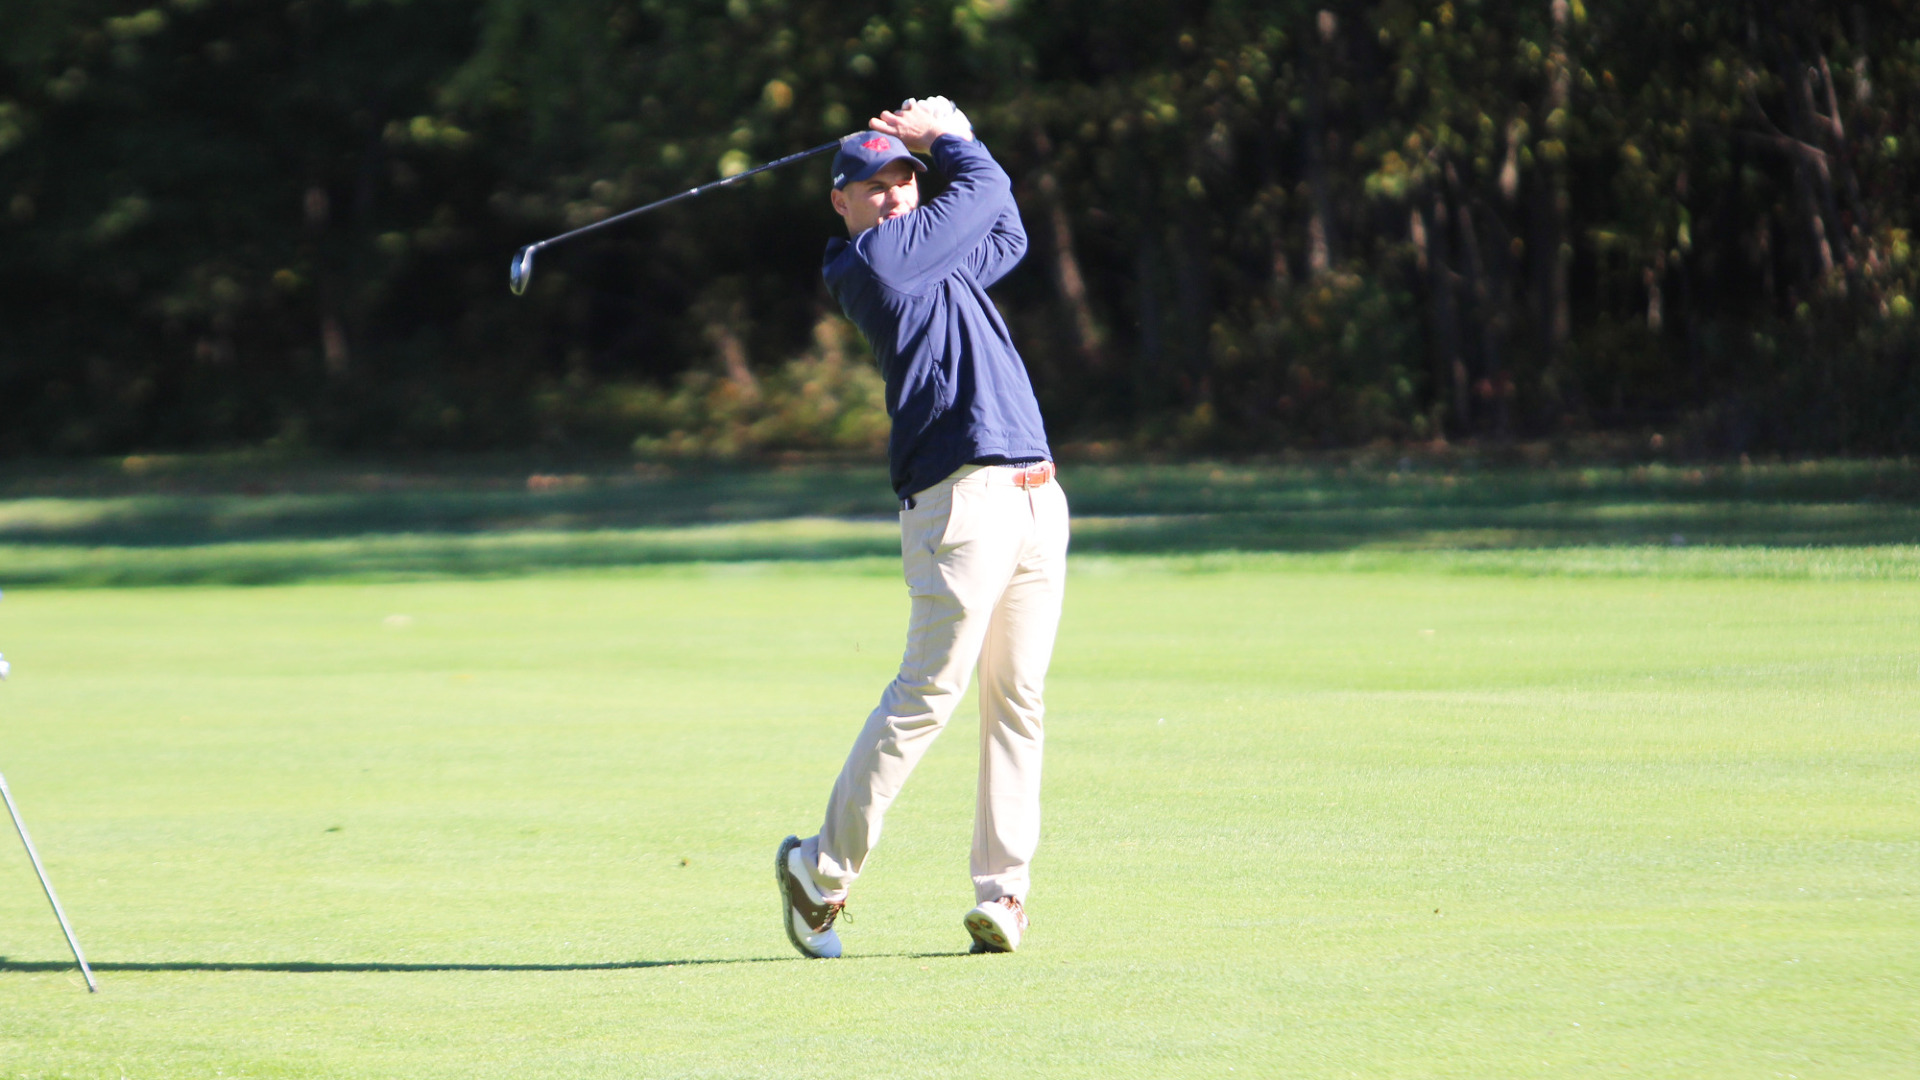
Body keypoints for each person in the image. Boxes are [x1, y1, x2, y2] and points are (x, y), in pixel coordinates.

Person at [776, 98, 1069, 958]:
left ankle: (1004, 894)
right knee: (929, 695)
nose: (893, 194)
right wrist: (950, 138)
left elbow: (1004, 227)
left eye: (903, 179)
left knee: (1017, 698)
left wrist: (955, 140)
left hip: (1033, 493)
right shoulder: (873, 262)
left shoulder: (937, 259)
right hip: (960, 500)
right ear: (842, 202)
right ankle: (820, 871)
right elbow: (986, 182)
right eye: (872, 184)